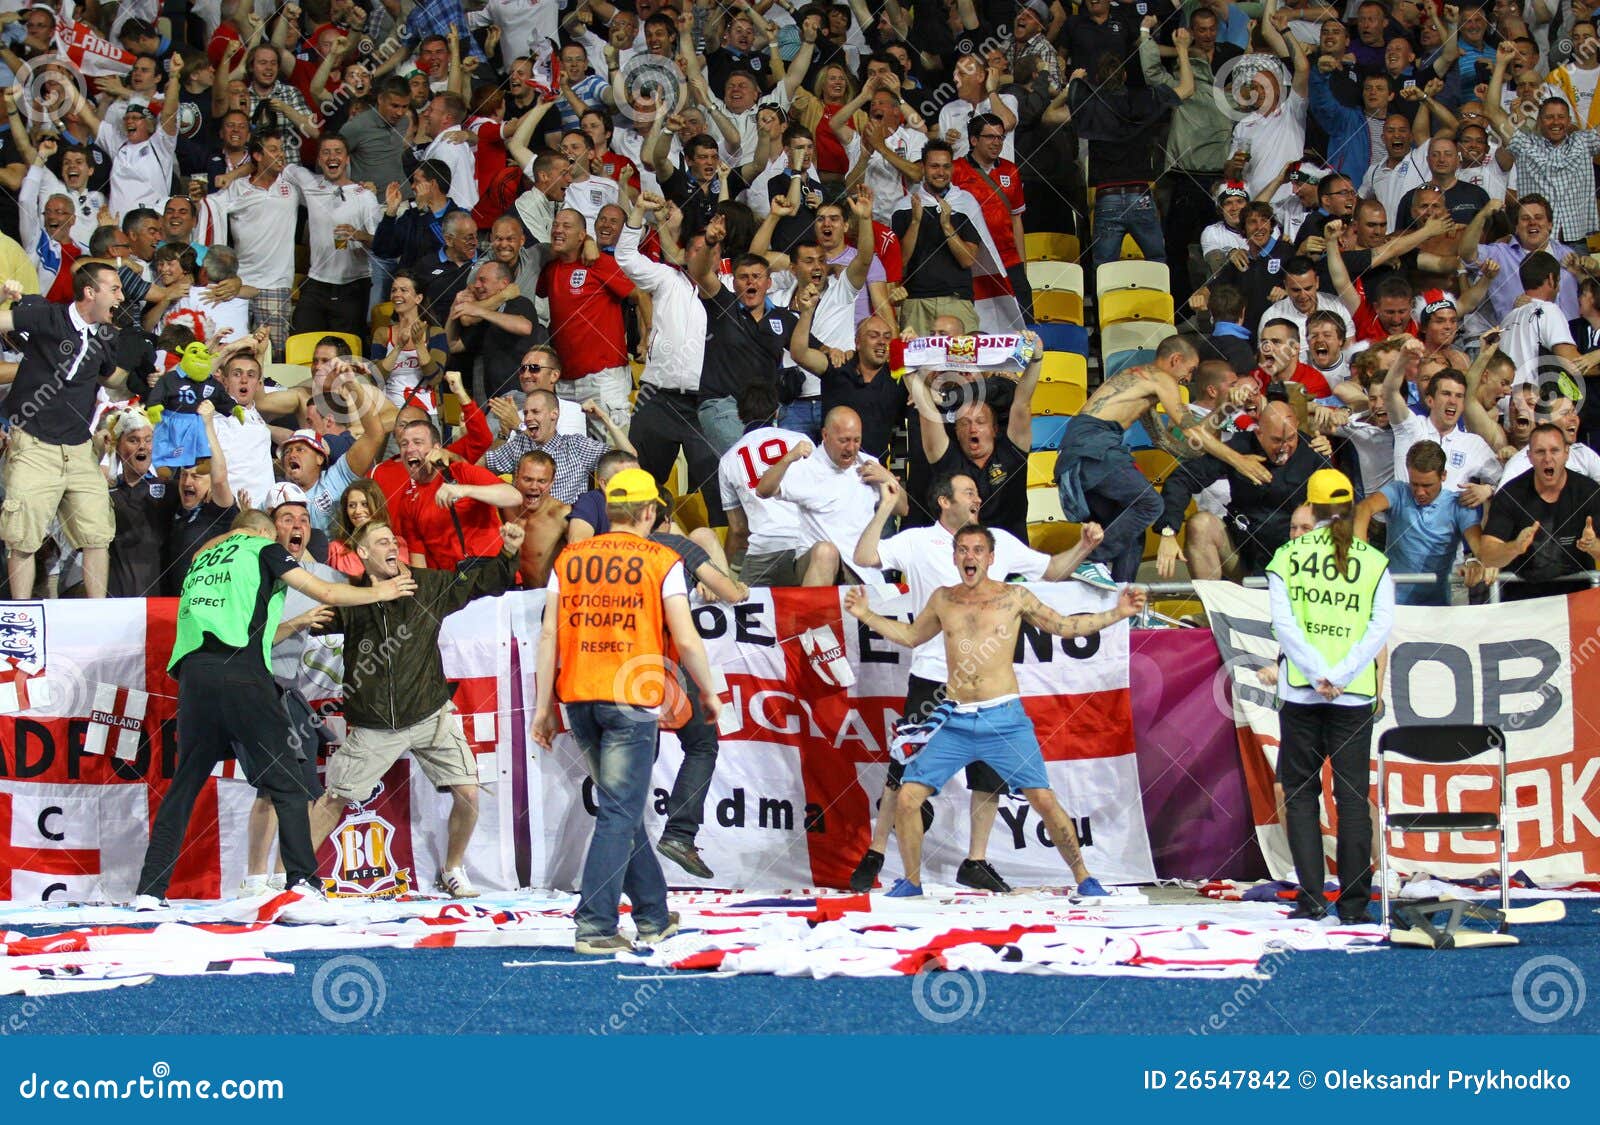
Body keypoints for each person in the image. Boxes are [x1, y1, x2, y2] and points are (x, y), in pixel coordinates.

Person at [133, 508, 416, 911]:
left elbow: (249, 620)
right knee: (288, 782)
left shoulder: (204, 557)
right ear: (264, 531)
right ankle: (303, 883)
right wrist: (380, 592)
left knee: (184, 787)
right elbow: (328, 592)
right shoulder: (264, 548)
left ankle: (149, 890)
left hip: (195, 678)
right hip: (243, 675)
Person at [842, 524, 1145, 897]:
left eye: (978, 550)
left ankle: (1084, 876)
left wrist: (1117, 613)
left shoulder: (1014, 597)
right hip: (952, 719)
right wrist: (866, 614)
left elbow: (1065, 626)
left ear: (991, 558)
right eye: (963, 550)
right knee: (907, 797)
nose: (970, 557)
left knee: (1043, 799)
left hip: (1003, 719)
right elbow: (911, 637)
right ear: (954, 557)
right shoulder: (942, 599)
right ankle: (912, 882)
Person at [531, 469, 722, 954]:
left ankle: (654, 916)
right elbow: (685, 637)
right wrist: (708, 690)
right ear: (649, 512)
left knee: (624, 809)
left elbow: (549, 636)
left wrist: (543, 707)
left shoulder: (569, 559)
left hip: (577, 695)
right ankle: (595, 923)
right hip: (630, 700)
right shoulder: (662, 558)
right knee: (620, 811)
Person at [306, 518, 525, 898]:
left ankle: (452, 868)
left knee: (469, 793)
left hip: (430, 715)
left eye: (393, 540)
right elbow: (312, 621)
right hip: (374, 725)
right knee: (333, 799)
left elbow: (483, 582)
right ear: (362, 553)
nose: (391, 547)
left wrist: (507, 552)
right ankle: (293, 875)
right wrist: (297, 619)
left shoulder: (428, 585)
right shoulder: (350, 597)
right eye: (380, 542)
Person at [1265, 468, 1393, 924]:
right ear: (1350, 506)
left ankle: (1313, 899)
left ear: (1312, 506)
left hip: (1302, 691)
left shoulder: (1286, 557)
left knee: (1301, 794)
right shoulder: (1374, 562)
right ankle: (1356, 906)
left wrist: (1318, 672)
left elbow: (1285, 627)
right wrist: (1341, 673)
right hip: (1353, 694)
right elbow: (1380, 628)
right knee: (1353, 796)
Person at [1056, 334, 1272, 584]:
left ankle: (1120, 599)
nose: (1189, 379)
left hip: (1082, 452)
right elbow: (1192, 430)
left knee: (1135, 531)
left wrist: (1224, 408)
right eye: (1189, 370)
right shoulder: (1162, 378)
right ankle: (1086, 562)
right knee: (1150, 504)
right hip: (1093, 446)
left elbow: (1180, 447)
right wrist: (1239, 460)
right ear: (1175, 359)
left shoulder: (1143, 385)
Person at [0, 268, 125, 599]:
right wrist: (3, 298)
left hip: (80, 449)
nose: (121, 298)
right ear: (89, 292)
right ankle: (22, 616)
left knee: (98, 535)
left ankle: (96, 615)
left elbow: (112, 379)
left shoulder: (106, 337)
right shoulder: (46, 315)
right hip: (34, 444)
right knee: (23, 538)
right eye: (114, 289)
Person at [1157, 402, 1333, 580]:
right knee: (1201, 524)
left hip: (1294, 559)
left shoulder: (1314, 451)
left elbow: (1339, 508)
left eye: (1291, 439)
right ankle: (1215, 603)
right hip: (1243, 552)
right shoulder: (1240, 448)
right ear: (1259, 433)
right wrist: (1168, 531)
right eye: (1276, 440)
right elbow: (1183, 478)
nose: (1284, 448)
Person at [755, 407, 907, 585]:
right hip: (816, 562)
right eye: (843, 440)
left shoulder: (869, 465)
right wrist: (788, 458)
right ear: (825, 435)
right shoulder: (808, 465)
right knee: (826, 552)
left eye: (856, 440)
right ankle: (812, 613)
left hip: (862, 570)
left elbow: (903, 509)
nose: (851, 448)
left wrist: (887, 477)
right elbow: (762, 490)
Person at [1354, 440, 1488, 606]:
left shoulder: (1458, 505)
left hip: (1437, 607)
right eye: (1414, 484)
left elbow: (1479, 546)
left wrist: (1475, 561)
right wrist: (1359, 555)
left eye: (1427, 485)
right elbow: (1363, 509)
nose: (1420, 492)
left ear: (1444, 475)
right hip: (1392, 604)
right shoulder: (1398, 491)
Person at [1479, 423, 1600, 600]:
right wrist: (1515, 547)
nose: (1547, 458)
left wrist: (1593, 546)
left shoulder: (1590, 492)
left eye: (1554, 451)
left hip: (1577, 601)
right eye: (1540, 452)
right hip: (1523, 602)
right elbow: (1488, 556)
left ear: (1567, 453)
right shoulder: (1510, 495)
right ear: (1529, 456)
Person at [718, 383, 808, 584]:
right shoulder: (800, 440)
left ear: (739, 416)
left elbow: (739, 529)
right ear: (776, 412)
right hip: (806, 546)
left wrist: (725, 571)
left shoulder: (728, 459)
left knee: (740, 611)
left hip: (763, 551)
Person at [500, 450, 570, 587]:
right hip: (509, 595)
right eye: (527, 479)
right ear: (516, 477)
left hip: (544, 599)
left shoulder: (562, 516)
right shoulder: (504, 505)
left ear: (551, 483)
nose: (534, 487)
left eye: (542, 481)